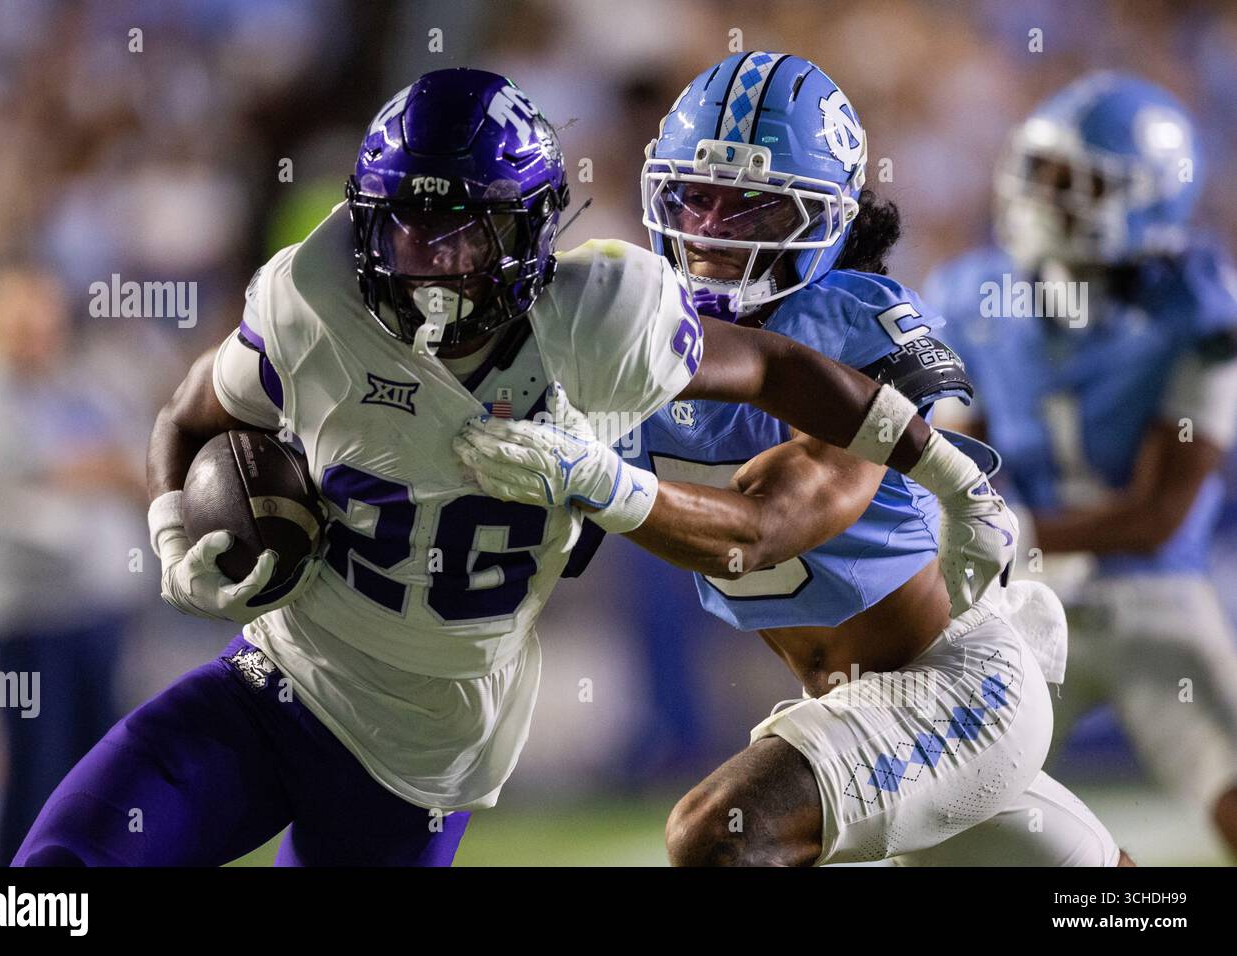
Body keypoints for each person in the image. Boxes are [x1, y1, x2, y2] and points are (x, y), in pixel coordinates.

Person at [15, 68, 1011, 867]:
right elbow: (192, 413)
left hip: (423, 756)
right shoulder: (310, 298)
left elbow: (789, 384)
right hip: (273, 681)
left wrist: (946, 472)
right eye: (409, 223)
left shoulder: (604, 321)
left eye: (469, 230)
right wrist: (168, 528)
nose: (436, 259)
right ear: (363, 223)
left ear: (531, 230)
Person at [459, 53, 1125, 866]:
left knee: (719, 837)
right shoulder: (633, 321)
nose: (711, 233)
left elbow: (767, 528)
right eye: (694, 198)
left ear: (826, 219)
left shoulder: (855, 327)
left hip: (956, 685)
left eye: (753, 210)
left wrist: (592, 478)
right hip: (867, 702)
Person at [925, 71, 1237, 858]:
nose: (1044, 194)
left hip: (1154, 594)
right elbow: (961, 460)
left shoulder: (1200, 309)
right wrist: (991, 527)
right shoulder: (976, 292)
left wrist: (1014, 531)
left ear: (1150, 195)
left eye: (1075, 180)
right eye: (1040, 171)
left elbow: (1160, 513)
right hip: (1018, 601)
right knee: (937, 812)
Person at [0, 268, 146, 863]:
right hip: (25, 614)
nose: (38, 335)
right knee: (36, 772)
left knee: (95, 767)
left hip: (92, 604)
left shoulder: (73, 383)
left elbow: (125, 457)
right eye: (24, 323)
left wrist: (101, 468)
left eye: (45, 322)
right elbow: (20, 475)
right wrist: (96, 469)